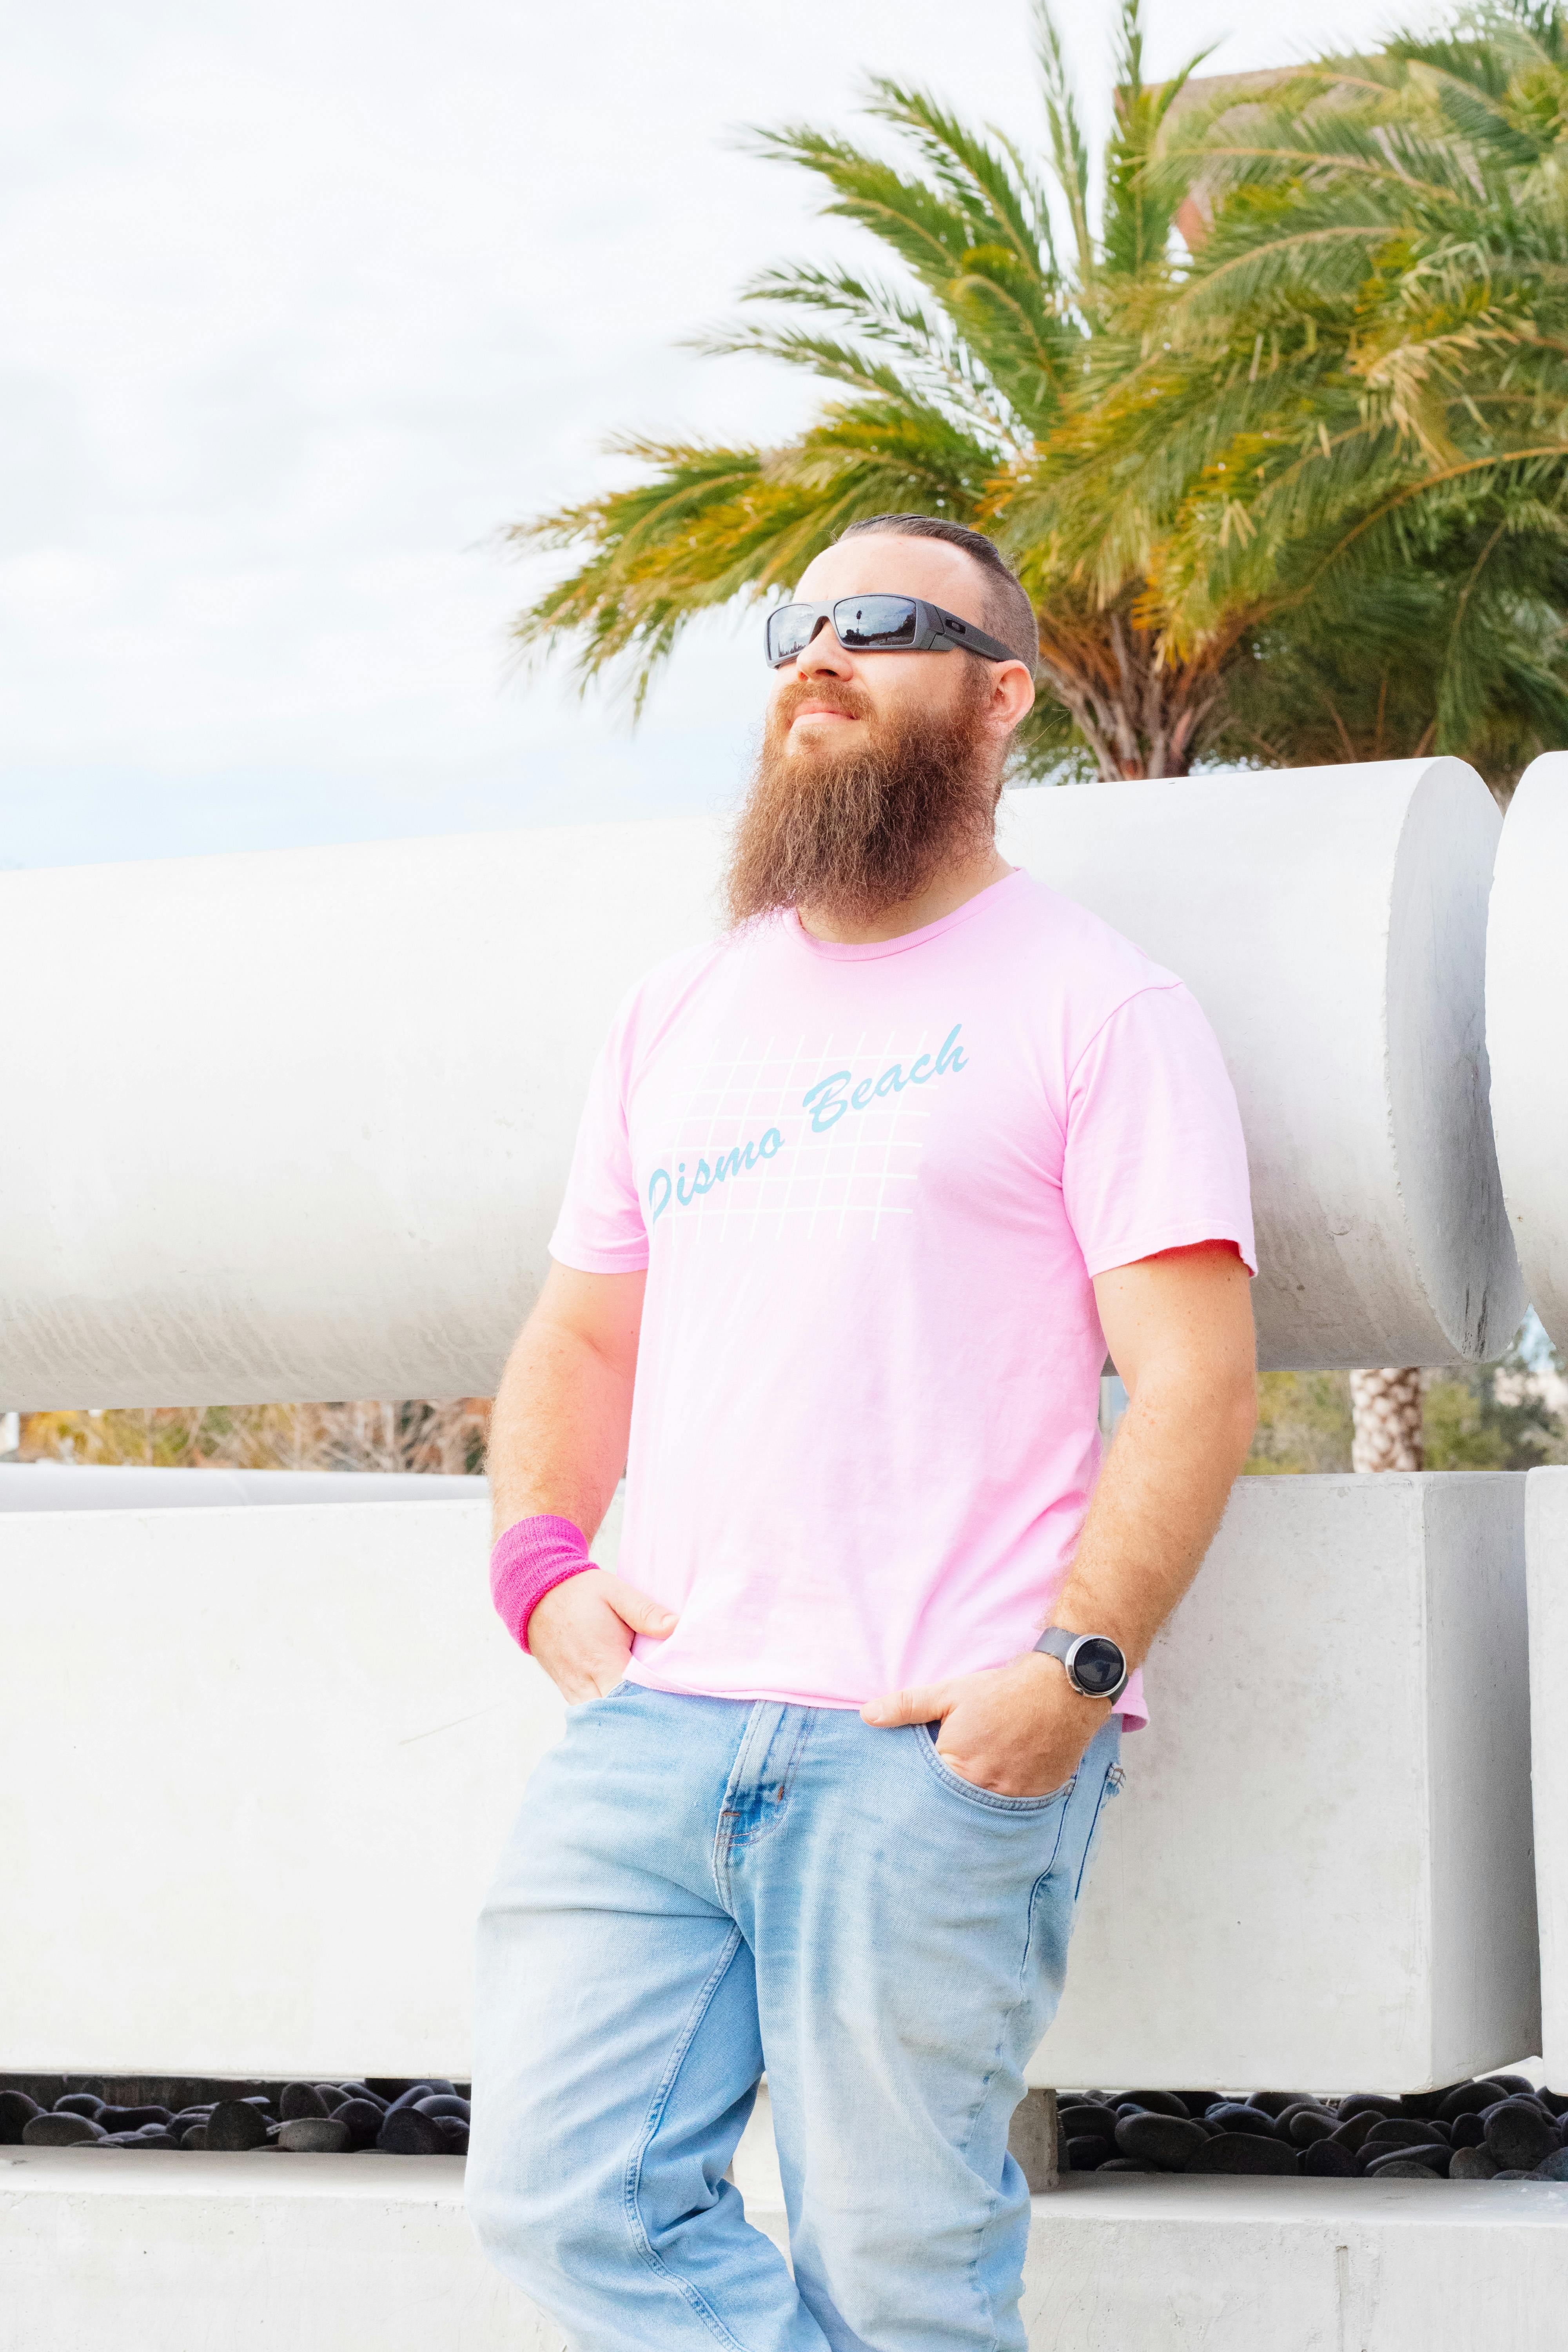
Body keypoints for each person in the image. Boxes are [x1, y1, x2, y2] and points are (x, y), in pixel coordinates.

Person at [466, 514, 1258, 2352]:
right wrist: (539, 1570)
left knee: (902, 2273)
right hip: (656, 1722)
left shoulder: (1099, 1006)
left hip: (925, 1749)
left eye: (885, 624)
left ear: (999, 699)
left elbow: (1197, 1381)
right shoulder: (678, 1008)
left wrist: (1068, 1675)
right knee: (562, 2202)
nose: (820, 656)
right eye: (799, 625)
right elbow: (580, 1331)